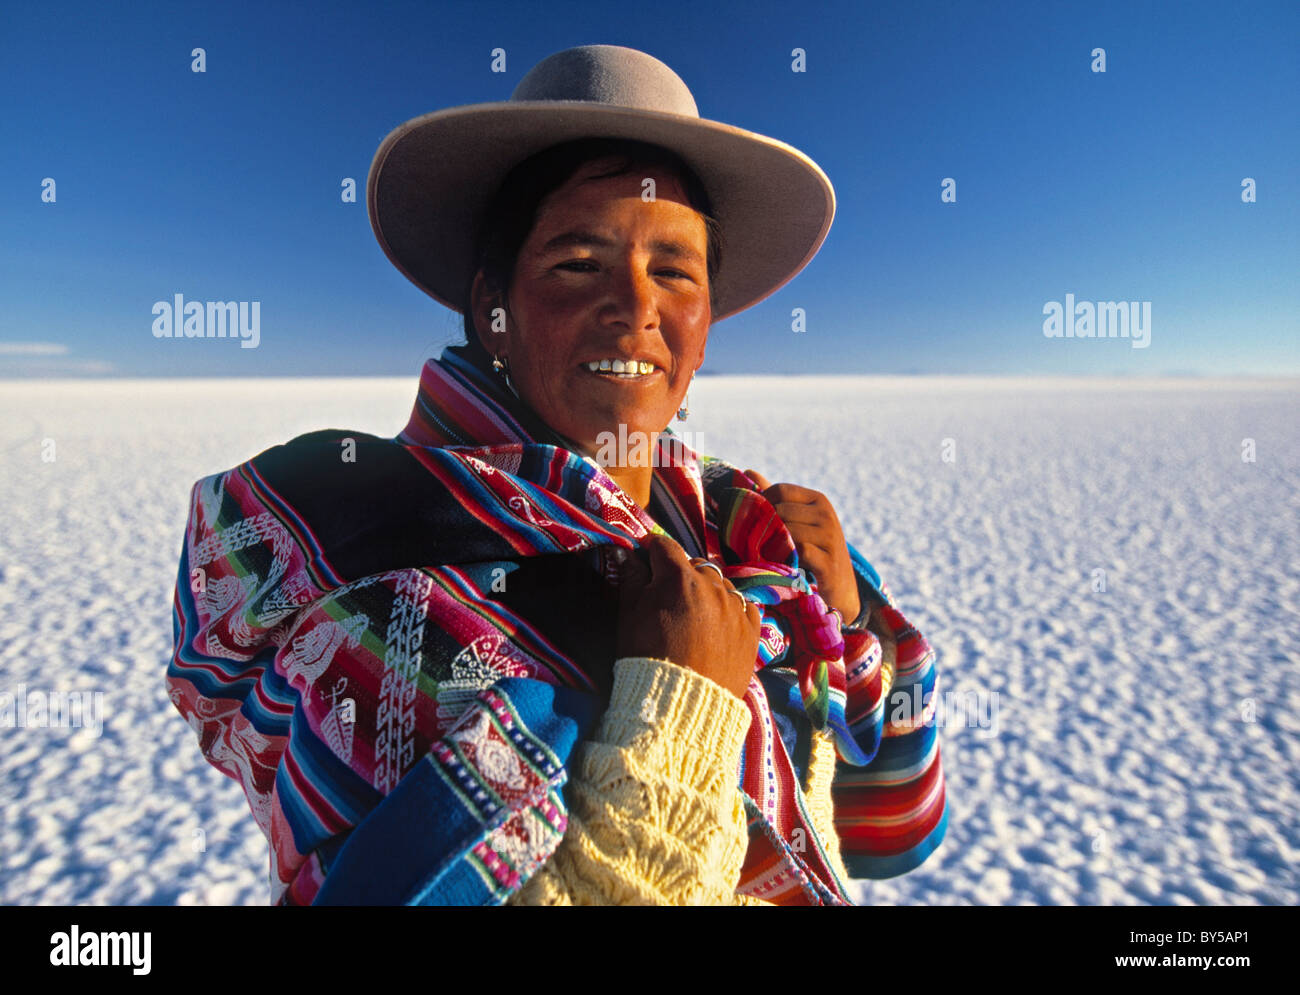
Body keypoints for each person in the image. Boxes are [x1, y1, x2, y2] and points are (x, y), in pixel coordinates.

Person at [166, 44, 947, 906]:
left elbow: (872, 815)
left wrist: (847, 615)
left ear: (707, 321)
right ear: (491, 312)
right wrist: (677, 709)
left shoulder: (736, 531)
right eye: (580, 263)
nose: (638, 305)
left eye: (675, 272)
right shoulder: (392, 601)